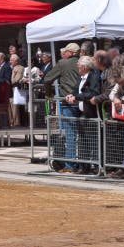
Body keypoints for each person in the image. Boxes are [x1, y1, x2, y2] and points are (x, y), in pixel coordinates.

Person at [44, 42, 81, 173]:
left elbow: (47, 79)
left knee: (70, 133)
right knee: (85, 134)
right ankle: (85, 165)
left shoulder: (63, 63)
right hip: (83, 102)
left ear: (70, 53)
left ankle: (70, 165)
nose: (63, 53)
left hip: (68, 101)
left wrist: (49, 94)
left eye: (65, 52)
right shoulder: (84, 62)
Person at [65, 55, 101, 174]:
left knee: (93, 141)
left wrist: (77, 97)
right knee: (82, 141)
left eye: (79, 65)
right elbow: (76, 90)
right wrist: (71, 95)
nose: (77, 66)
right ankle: (83, 166)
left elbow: (92, 93)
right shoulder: (81, 77)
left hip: (91, 113)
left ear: (84, 66)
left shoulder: (94, 76)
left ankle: (96, 167)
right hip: (81, 112)